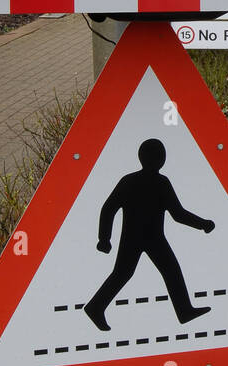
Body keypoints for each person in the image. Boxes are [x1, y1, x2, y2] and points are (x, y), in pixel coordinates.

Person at [84, 138, 215, 332]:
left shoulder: (133, 180)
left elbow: (109, 208)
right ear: (160, 159)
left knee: (166, 271)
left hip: (146, 237)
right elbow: (110, 208)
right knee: (127, 274)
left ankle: (184, 310)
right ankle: (95, 307)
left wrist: (105, 238)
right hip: (143, 237)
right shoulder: (157, 182)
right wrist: (103, 238)